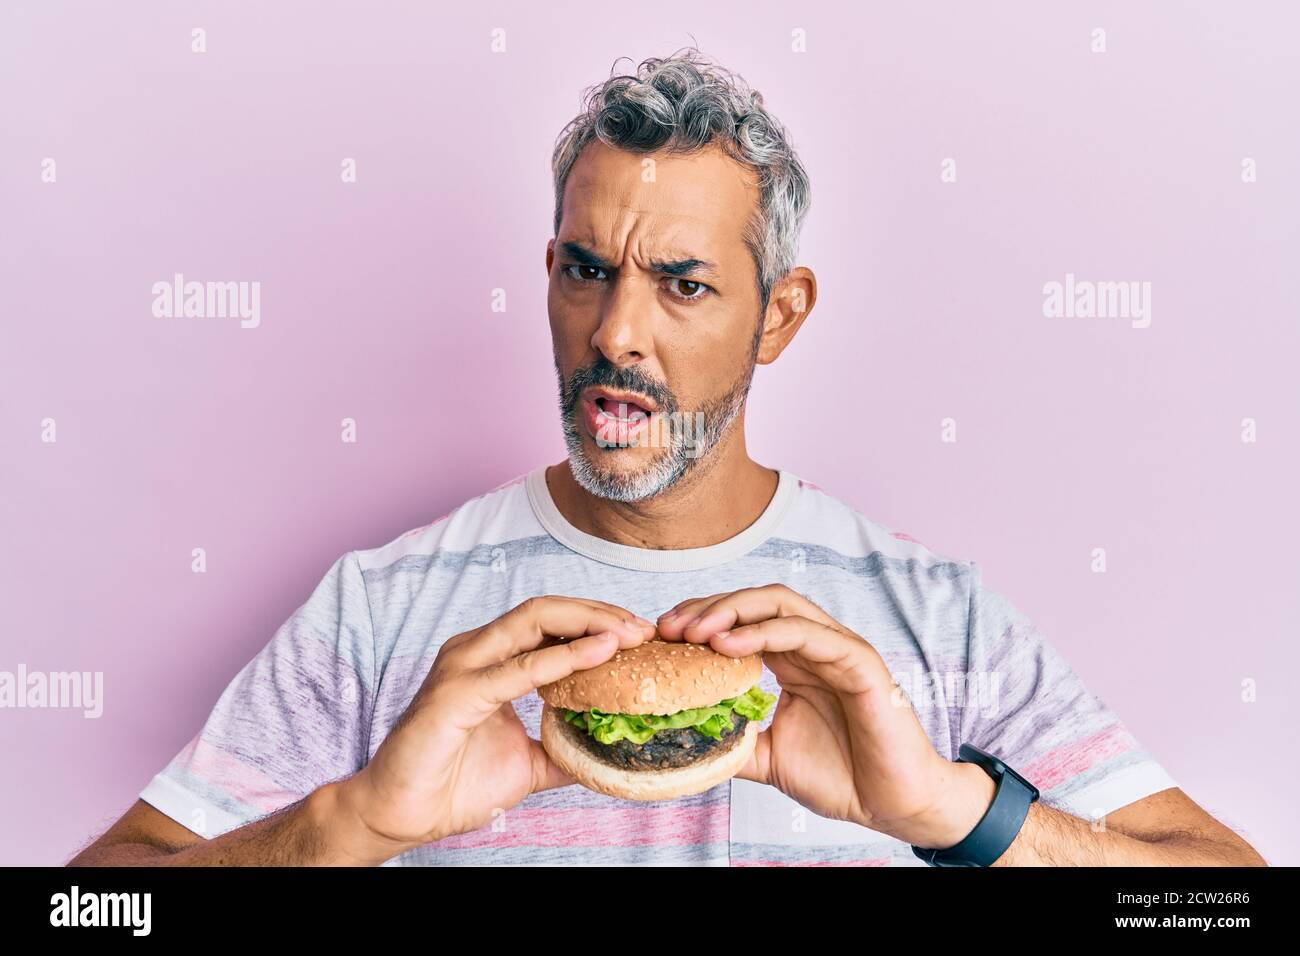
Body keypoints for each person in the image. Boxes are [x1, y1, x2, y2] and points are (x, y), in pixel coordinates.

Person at [70, 48, 1264, 867]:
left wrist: (954, 809)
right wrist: (354, 819)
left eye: (683, 284)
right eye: (588, 270)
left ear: (779, 315)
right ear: (550, 278)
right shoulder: (383, 606)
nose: (617, 332)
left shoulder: (934, 619)